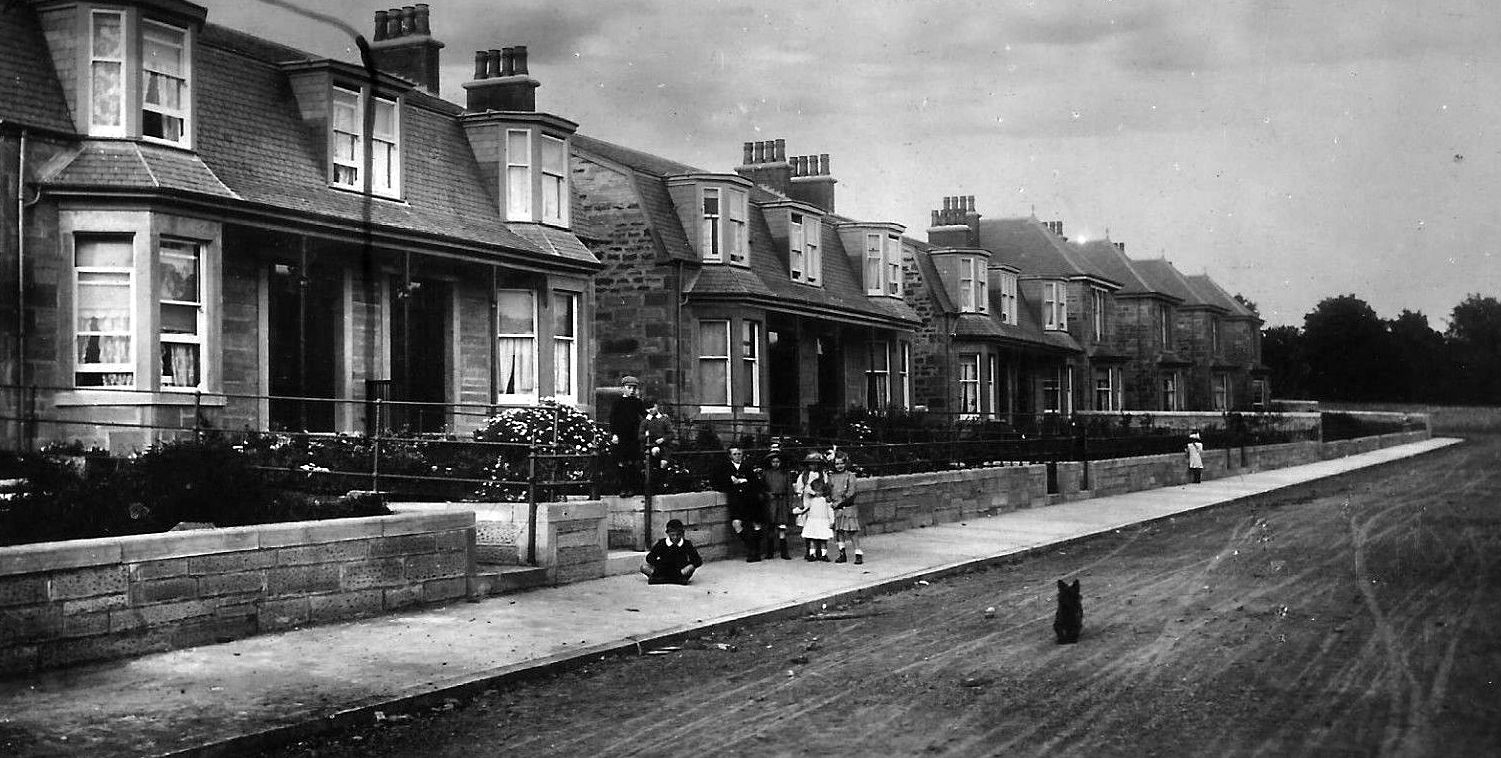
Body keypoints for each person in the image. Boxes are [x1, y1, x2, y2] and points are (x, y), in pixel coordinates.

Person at [712, 447, 767, 562]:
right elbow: (717, 483)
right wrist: (730, 480)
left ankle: (756, 552)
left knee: (756, 524)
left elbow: (756, 483)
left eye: (739, 454)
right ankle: (751, 548)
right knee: (736, 523)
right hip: (736, 501)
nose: (737, 456)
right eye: (735, 454)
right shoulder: (725, 468)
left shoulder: (748, 466)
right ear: (730, 456)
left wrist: (743, 481)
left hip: (751, 500)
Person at [608, 375, 646, 496]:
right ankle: (622, 488)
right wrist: (614, 434)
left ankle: (631, 488)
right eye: (629, 388)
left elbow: (645, 416)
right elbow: (612, 420)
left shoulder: (637, 402)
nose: (632, 390)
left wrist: (656, 419)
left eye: (634, 388)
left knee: (632, 463)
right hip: (621, 437)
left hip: (633, 437)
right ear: (623, 388)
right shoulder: (618, 403)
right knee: (621, 463)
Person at [793, 451, 834, 561]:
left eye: (816, 464)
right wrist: (801, 501)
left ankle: (820, 551)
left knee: (819, 526)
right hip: (808, 502)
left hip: (819, 503)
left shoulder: (823, 475)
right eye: (811, 464)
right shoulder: (803, 476)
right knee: (808, 527)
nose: (813, 466)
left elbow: (826, 487)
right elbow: (799, 490)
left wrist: (824, 495)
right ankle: (809, 551)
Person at [826, 450, 863, 564]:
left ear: (846, 463)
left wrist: (841, 502)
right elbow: (829, 490)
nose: (839, 466)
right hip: (836, 508)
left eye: (841, 463)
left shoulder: (850, 476)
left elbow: (851, 492)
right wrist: (829, 498)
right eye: (837, 464)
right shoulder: (831, 477)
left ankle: (858, 553)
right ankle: (842, 553)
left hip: (847, 506)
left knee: (852, 531)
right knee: (839, 531)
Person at [639, 518, 702, 585]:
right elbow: (650, 557)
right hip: (662, 571)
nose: (675, 537)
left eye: (678, 535)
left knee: (691, 568)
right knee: (644, 567)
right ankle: (670, 580)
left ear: (682, 533)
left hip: (679, 572)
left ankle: (662, 580)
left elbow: (698, 560)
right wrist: (659, 565)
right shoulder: (662, 543)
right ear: (668, 533)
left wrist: (689, 566)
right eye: (672, 535)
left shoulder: (687, 544)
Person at [759, 448, 794, 560]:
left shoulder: (785, 474)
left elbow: (789, 489)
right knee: (771, 526)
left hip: (782, 501)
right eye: (773, 461)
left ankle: (784, 552)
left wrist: (789, 504)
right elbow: (762, 488)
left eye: (777, 461)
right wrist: (767, 495)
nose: (775, 464)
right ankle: (770, 552)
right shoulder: (766, 474)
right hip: (771, 502)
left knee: (782, 526)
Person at [640, 398, 674, 493]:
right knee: (653, 456)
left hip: (664, 447)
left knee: (663, 463)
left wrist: (663, 439)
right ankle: (653, 487)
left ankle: (663, 485)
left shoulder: (664, 420)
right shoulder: (645, 422)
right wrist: (647, 436)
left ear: (656, 406)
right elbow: (640, 436)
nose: (650, 410)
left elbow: (671, 434)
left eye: (652, 407)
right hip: (650, 447)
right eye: (648, 409)